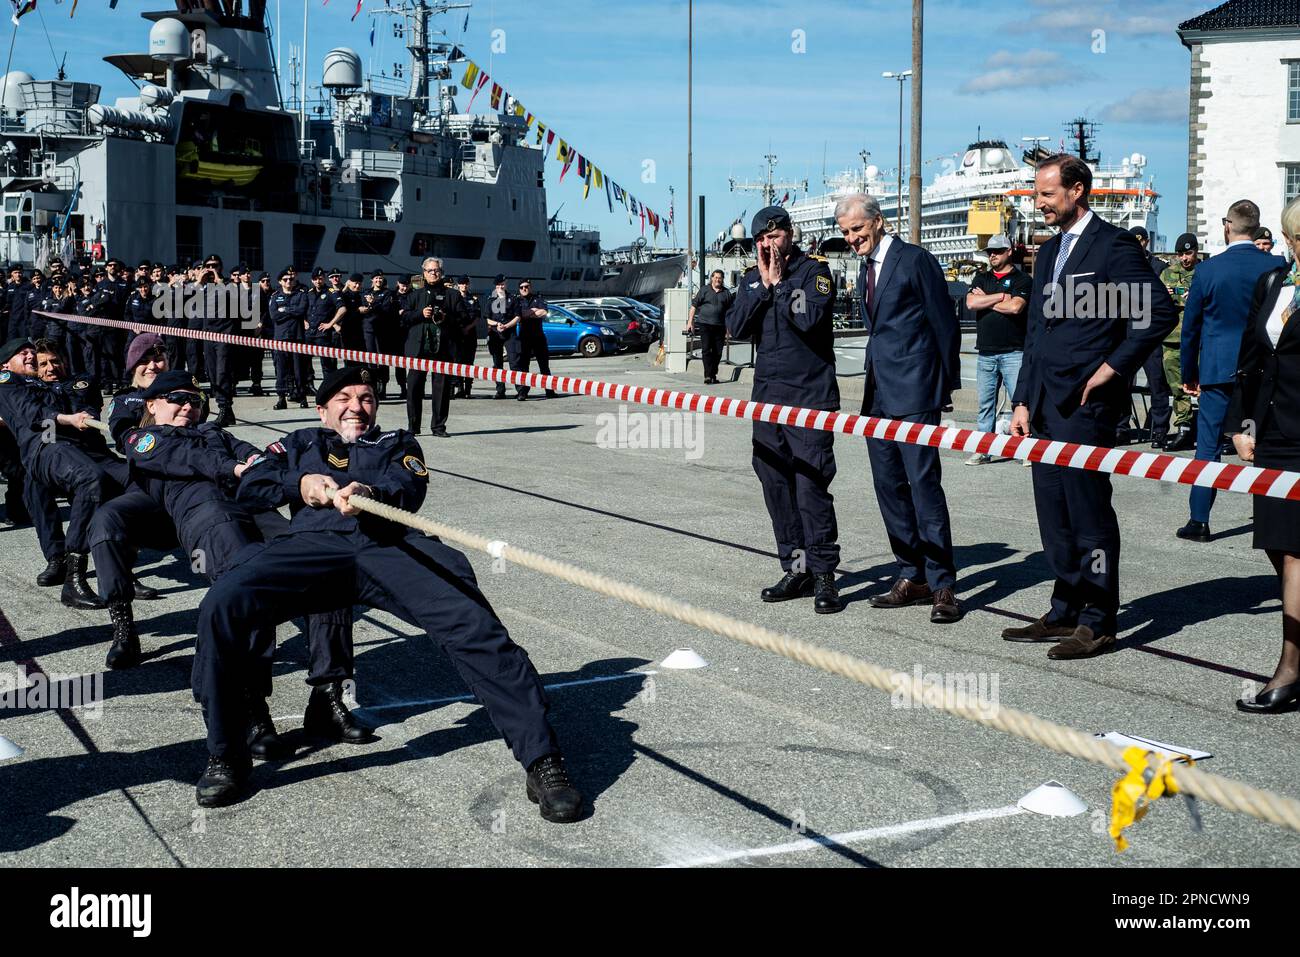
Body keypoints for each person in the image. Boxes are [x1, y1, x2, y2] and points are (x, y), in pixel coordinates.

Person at [189, 366, 584, 821]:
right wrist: (298, 484)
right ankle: (225, 755)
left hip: (389, 546)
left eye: (366, 398)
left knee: (475, 624)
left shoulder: (397, 442)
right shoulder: (300, 443)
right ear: (322, 410)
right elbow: (250, 483)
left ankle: (543, 760)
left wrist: (370, 491)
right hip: (312, 545)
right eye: (343, 398)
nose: (356, 407)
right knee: (222, 605)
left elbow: (410, 487)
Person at [103, 372, 360, 752]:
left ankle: (327, 691)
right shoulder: (142, 438)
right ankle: (251, 708)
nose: (188, 406)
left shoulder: (216, 434)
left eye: (196, 400)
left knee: (323, 570)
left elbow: (257, 459)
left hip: (255, 507)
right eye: (177, 398)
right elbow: (189, 458)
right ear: (152, 404)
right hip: (207, 514)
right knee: (246, 590)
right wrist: (237, 469)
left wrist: (302, 481)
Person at [1006, 154, 1177, 659]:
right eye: (1037, 194)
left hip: (1087, 403)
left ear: (1077, 190)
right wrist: (1021, 398)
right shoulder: (1051, 249)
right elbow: (1037, 331)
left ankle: (1099, 619)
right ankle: (1066, 606)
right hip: (1043, 404)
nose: (1039, 203)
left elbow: (1157, 311)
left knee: (1087, 513)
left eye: (1046, 194)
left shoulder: (1113, 245)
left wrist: (1114, 367)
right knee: (1053, 513)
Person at [835, 194, 962, 622]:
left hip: (916, 392)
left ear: (879, 221)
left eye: (857, 228)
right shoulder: (863, 269)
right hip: (878, 395)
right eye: (846, 232)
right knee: (888, 486)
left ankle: (943, 584)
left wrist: (946, 385)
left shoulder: (914, 260)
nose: (852, 238)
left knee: (924, 486)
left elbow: (943, 323)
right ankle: (913, 573)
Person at [728, 206, 843, 615]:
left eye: (775, 237)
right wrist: (761, 286)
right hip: (768, 398)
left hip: (809, 398)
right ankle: (797, 568)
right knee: (775, 484)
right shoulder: (749, 280)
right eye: (762, 239)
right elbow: (736, 328)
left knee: (810, 485)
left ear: (790, 235)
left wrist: (779, 285)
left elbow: (809, 318)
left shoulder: (815, 273)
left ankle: (825, 574)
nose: (768, 245)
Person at [1228, 197, 1300, 713]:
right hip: (1272, 433)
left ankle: (1291, 668)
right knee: (1278, 545)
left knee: (1297, 551)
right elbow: (1251, 360)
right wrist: (1241, 422)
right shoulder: (1273, 284)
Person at [1178, 199, 1281, 542]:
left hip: (1219, 370)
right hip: (1263, 372)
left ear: (1227, 225)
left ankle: (1199, 519)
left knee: (1207, 446)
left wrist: (1189, 372)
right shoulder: (1277, 265)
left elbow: (1190, 328)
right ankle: (1271, 517)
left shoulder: (1208, 270)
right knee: (1263, 444)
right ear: (1256, 228)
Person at [0, 337, 125, 606]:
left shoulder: (76, 383)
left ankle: (121, 565)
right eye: (33, 358)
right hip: (47, 449)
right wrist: (66, 418)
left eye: (52, 360)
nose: (44, 364)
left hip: (84, 448)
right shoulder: (12, 383)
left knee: (132, 482)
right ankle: (62, 563)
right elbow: (32, 414)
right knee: (41, 484)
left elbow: (87, 407)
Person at [964, 234, 1030, 466]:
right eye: (989, 251)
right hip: (986, 352)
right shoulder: (981, 277)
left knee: (1020, 402)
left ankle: (1025, 450)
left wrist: (989, 300)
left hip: (1014, 351)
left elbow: (1016, 308)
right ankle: (983, 449)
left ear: (1009, 251)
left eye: (998, 251)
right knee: (985, 405)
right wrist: (1002, 296)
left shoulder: (1022, 280)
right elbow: (971, 303)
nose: (992, 255)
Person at [400, 257, 462, 436]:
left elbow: (462, 319)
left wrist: (446, 317)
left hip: (442, 350)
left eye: (436, 270)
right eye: (430, 271)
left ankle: (438, 427)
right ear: (423, 273)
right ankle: (413, 426)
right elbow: (404, 319)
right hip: (418, 349)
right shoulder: (414, 295)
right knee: (413, 388)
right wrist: (420, 314)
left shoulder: (453, 295)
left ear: (441, 273)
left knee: (441, 390)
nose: (433, 273)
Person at [1126, 226, 1174, 447]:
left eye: (1141, 241)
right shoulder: (1123, 265)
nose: (1138, 245)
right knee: (1121, 383)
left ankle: (1159, 430)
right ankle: (1120, 428)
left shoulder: (1160, 268)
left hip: (1151, 333)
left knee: (1157, 384)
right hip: (1127, 331)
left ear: (1146, 242)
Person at [1159, 233, 1200, 451]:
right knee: (1177, 387)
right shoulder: (1167, 274)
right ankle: (1183, 428)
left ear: (1196, 251)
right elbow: (1156, 306)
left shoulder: (1204, 273)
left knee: (1204, 387)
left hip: (1198, 339)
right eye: (1181, 254)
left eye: (1188, 253)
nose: (1184, 258)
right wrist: (1164, 297)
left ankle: (1208, 430)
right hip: (1172, 338)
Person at [501, 278, 558, 400]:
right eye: (522, 287)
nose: (524, 289)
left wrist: (527, 313)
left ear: (530, 287)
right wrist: (533, 311)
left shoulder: (538, 298)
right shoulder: (516, 300)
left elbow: (544, 312)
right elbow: (519, 316)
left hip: (538, 338)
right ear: (519, 289)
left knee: (544, 366)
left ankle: (549, 391)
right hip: (524, 338)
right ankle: (523, 392)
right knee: (523, 366)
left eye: (526, 286)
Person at [268, 269, 309, 409]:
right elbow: (274, 316)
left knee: (299, 369)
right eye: (285, 280)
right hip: (281, 338)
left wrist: (284, 310)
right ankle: (281, 398)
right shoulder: (275, 296)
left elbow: (302, 310)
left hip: (296, 337)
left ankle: (302, 397)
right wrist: (291, 310)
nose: (288, 282)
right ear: (280, 281)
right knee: (281, 370)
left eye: (290, 279)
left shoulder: (301, 295)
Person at [688, 269, 733, 384]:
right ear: (712, 278)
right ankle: (707, 375)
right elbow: (694, 306)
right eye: (716, 277)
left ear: (722, 280)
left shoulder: (726, 293)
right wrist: (690, 322)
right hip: (705, 324)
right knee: (706, 350)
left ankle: (713, 374)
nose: (717, 279)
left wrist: (730, 328)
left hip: (720, 326)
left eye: (720, 278)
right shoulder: (704, 290)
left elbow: (730, 312)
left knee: (718, 352)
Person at [359, 271, 395, 399]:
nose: (378, 280)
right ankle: (373, 386)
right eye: (376, 278)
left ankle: (383, 386)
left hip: (382, 330)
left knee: (383, 359)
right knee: (370, 359)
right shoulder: (365, 292)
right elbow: (360, 307)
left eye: (380, 278)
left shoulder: (387, 293)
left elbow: (387, 310)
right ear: (372, 280)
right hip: (368, 329)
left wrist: (374, 303)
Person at [305, 267, 338, 380]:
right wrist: (304, 321)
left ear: (324, 279)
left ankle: (328, 390)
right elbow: (302, 310)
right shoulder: (308, 293)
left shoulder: (330, 292)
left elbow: (342, 309)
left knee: (327, 364)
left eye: (320, 279)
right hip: (309, 333)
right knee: (306, 362)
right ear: (312, 280)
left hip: (323, 334)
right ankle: (309, 386)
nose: (318, 281)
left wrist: (331, 324)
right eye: (315, 279)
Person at [452, 275, 480, 399]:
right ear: (458, 285)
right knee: (457, 362)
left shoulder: (473, 299)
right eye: (461, 284)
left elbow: (477, 318)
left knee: (469, 362)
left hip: (470, 335)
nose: (463, 286)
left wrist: (467, 328)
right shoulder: (453, 297)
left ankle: (468, 389)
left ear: (468, 285)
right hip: (457, 335)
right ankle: (459, 388)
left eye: (465, 284)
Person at [485, 274, 512, 399]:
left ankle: (521, 391)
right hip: (495, 335)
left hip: (509, 334)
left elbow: (517, 316)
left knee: (514, 363)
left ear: (505, 284)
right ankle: (500, 390)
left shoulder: (512, 298)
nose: (500, 287)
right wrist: (497, 324)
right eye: (498, 285)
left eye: (502, 284)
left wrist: (506, 326)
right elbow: (487, 319)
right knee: (497, 364)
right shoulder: (491, 300)